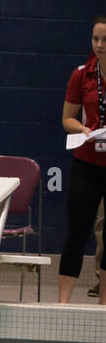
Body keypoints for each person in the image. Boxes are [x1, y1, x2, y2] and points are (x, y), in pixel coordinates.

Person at [57, 15, 106, 304]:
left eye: (105, 40)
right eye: (95, 39)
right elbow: (67, 119)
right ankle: (63, 303)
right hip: (86, 162)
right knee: (77, 232)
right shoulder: (81, 74)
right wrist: (85, 129)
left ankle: (104, 305)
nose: (99, 45)